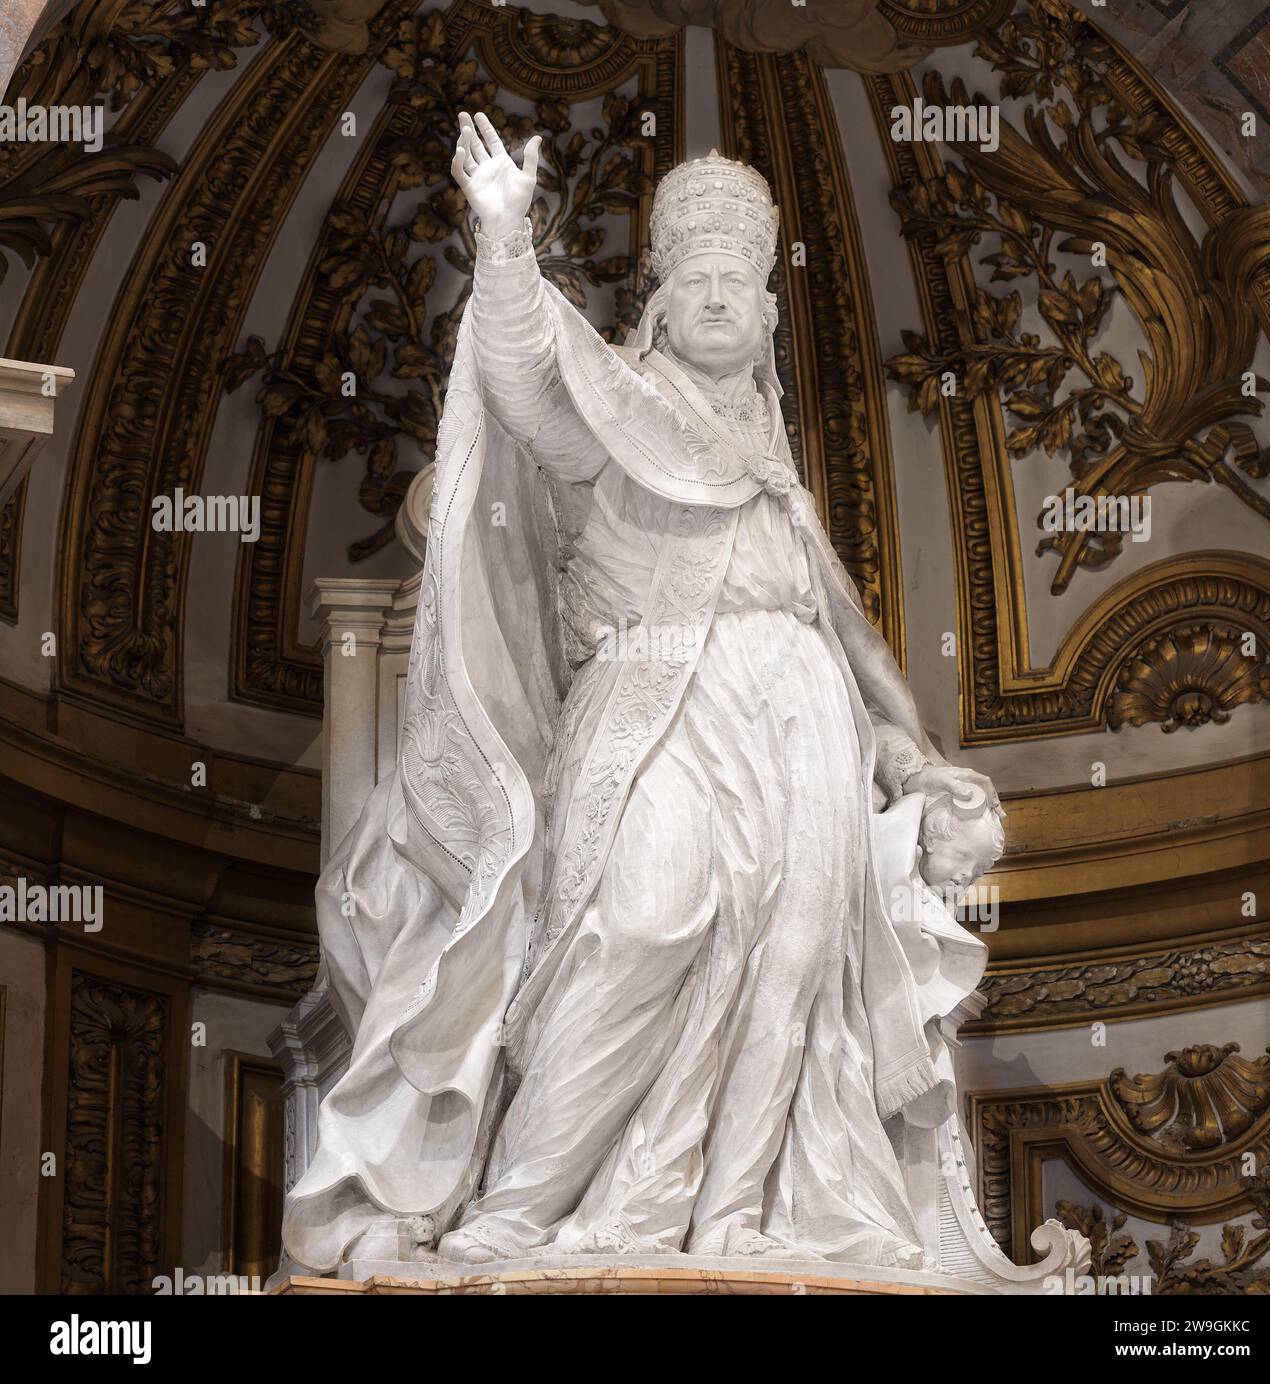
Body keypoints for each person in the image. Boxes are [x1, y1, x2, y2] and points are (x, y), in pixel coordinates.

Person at [281, 112, 1000, 1273]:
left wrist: (913, 762)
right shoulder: (615, 411)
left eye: (739, 282)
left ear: (769, 316)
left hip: (801, 712)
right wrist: (506, 239)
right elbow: (521, 375)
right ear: (660, 302)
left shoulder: (776, 470)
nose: (718, 296)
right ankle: (526, 1205)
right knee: (646, 924)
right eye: (697, 277)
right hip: (655, 697)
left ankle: (728, 1216)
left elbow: (850, 635)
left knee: (796, 955)